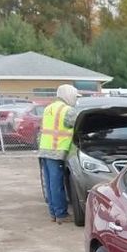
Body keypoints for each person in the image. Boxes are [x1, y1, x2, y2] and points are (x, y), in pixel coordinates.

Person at [38, 84, 79, 223]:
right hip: (57, 152)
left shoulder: (48, 108)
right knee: (57, 184)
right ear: (68, 95)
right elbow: (79, 126)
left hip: (45, 150)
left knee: (50, 184)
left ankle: (53, 213)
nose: (75, 100)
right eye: (75, 96)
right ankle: (61, 214)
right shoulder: (67, 110)